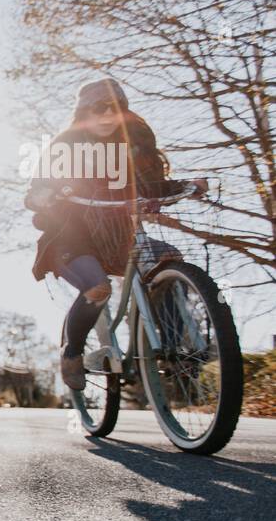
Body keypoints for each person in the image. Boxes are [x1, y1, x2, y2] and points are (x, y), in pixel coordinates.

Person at [25, 78, 205, 391]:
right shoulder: (65, 145)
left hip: (121, 235)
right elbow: (38, 189)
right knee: (97, 288)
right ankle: (72, 353)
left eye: (117, 108)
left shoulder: (134, 139)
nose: (109, 115)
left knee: (167, 258)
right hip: (72, 237)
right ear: (84, 113)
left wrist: (187, 186)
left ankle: (177, 350)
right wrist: (43, 196)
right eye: (99, 108)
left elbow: (154, 185)